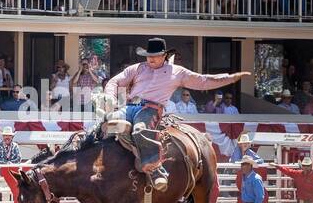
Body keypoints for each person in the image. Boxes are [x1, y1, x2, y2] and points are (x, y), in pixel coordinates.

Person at [104, 37, 251, 190]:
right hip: (130, 106)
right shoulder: (138, 68)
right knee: (109, 122)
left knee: (141, 129)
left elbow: (203, 81)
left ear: (164, 56)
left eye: (154, 55)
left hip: (151, 108)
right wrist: (109, 96)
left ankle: (155, 170)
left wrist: (231, 78)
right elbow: (115, 81)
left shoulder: (177, 72)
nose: (150, 58)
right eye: (148, 55)